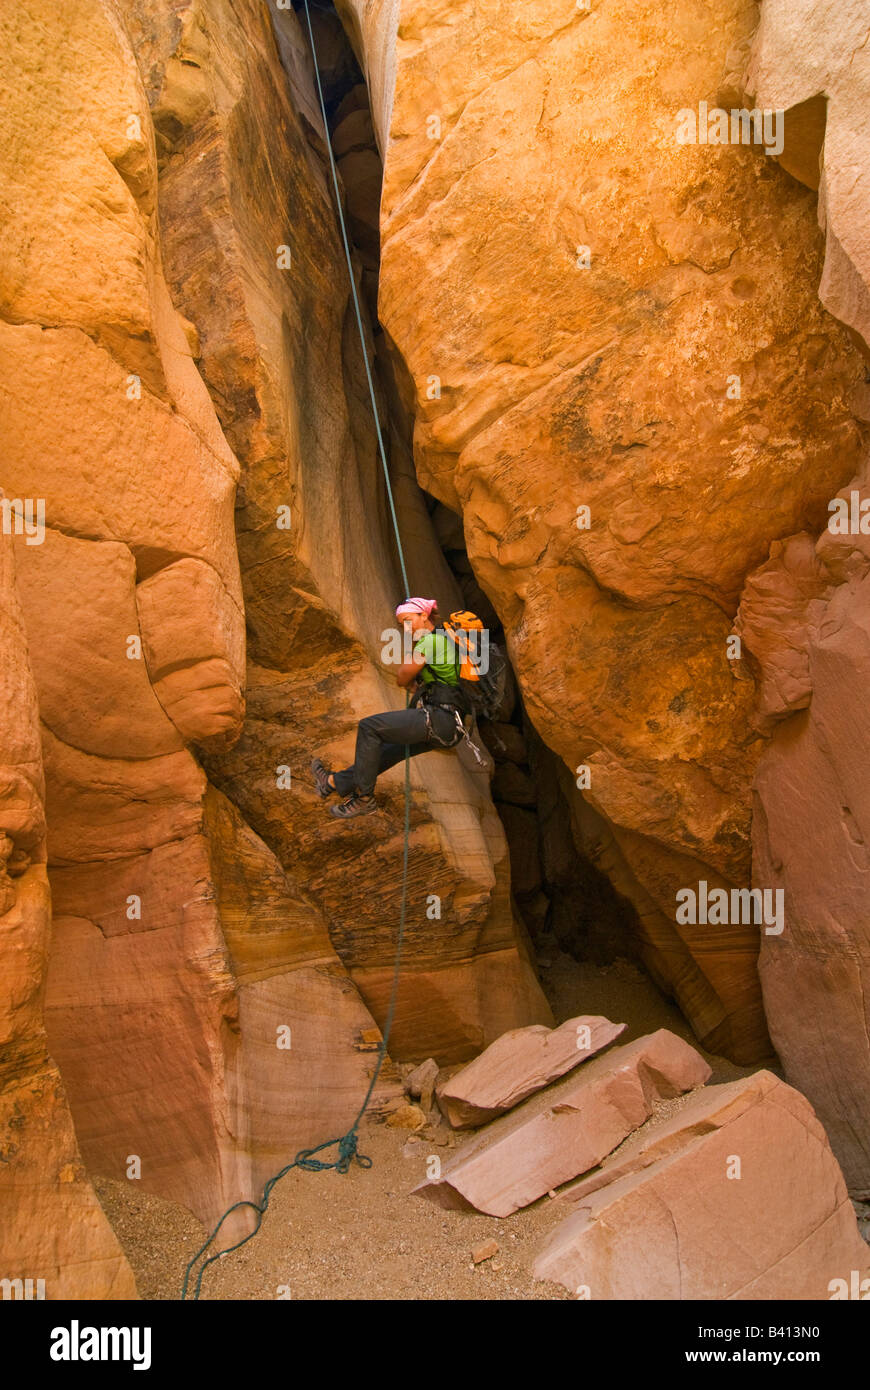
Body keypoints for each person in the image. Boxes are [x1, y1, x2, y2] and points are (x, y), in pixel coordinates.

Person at [311, 596, 470, 819]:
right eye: (401, 624)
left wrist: (409, 679)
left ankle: (365, 800)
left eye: (408, 620)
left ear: (424, 616)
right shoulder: (441, 639)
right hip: (448, 724)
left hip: (441, 718)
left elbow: (403, 675)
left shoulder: (431, 641)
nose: (405, 628)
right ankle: (331, 782)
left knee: (370, 727)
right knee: (384, 752)